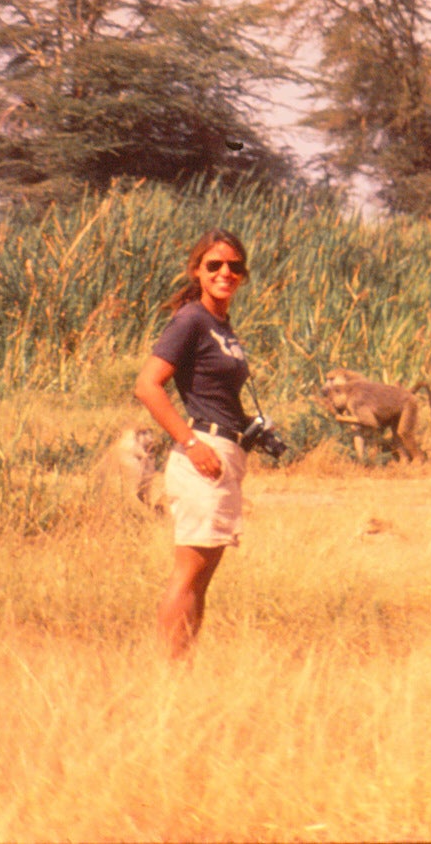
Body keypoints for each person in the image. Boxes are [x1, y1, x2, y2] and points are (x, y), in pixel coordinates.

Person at [134, 229, 255, 659]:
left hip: (224, 453)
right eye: (214, 265)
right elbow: (147, 385)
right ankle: (169, 670)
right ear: (197, 271)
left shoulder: (219, 323)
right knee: (188, 572)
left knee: (202, 575)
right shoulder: (191, 320)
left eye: (234, 266)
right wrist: (190, 443)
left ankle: (182, 665)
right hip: (202, 452)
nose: (225, 273)